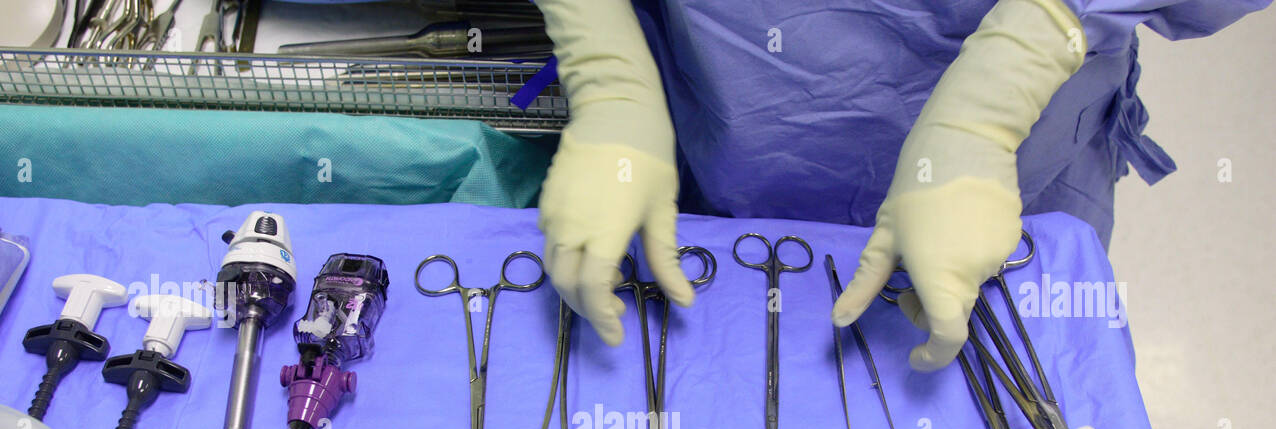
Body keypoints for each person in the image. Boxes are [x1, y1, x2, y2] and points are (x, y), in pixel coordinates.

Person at [533, 0, 1268, 369]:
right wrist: (606, 63)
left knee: (987, 383)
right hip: (736, 105)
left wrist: (1019, 60)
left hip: (1012, 151)